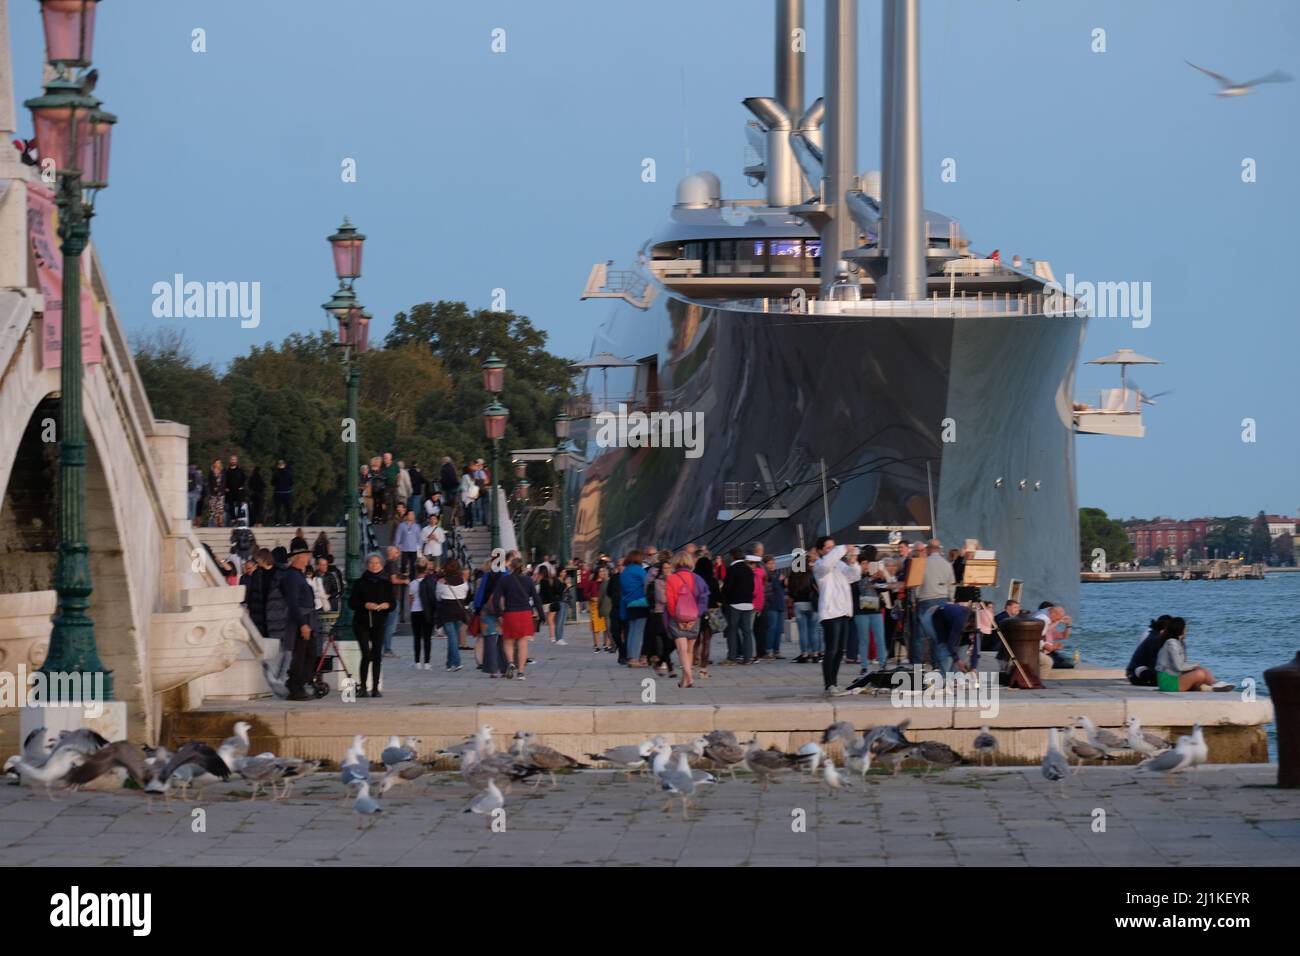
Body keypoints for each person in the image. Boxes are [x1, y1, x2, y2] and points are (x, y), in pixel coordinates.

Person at [813, 537, 861, 694]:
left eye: (833, 547)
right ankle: (828, 684)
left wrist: (853, 561)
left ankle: (834, 682)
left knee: (840, 650)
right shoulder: (819, 565)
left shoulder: (840, 564)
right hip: (830, 612)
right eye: (828, 548)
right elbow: (828, 563)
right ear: (820, 551)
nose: (832, 551)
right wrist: (841, 549)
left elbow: (854, 576)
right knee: (831, 649)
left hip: (844, 611)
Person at [350, 553, 394, 697]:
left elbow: (393, 603)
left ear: (381, 565)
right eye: (371, 563)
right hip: (362, 622)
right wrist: (365, 604)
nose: (374, 565)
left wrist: (386, 605)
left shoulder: (386, 583)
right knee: (366, 655)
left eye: (377, 563)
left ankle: (375, 688)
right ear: (367, 565)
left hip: (379, 623)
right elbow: (352, 603)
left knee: (377, 656)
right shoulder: (360, 582)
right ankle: (363, 687)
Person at [280, 546, 320, 700]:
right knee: (302, 655)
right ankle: (295, 687)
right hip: (301, 621)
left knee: (309, 654)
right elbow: (293, 602)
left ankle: (298, 684)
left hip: (307, 619)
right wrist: (303, 624)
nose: (308, 559)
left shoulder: (297, 575)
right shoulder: (291, 576)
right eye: (305, 556)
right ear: (298, 558)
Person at [489, 557, 539, 680]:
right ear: (522, 567)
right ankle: (521, 672)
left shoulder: (504, 581)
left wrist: (498, 615)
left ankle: (510, 662)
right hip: (525, 613)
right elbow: (537, 599)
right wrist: (542, 615)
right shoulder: (528, 581)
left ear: (510, 567)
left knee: (508, 641)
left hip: (510, 614)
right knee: (522, 643)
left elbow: (495, 599)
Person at [1155, 617, 1233, 692]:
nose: (1186, 630)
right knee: (1199, 673)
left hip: (1174, 676)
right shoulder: (1171, 643)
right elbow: (1179, 667)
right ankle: (1212, 685)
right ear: (1180, 629)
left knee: (1202, 670)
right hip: (1168, 681)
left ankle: (1214, 685)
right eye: (1185, 627)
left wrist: (1194, 667)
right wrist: (1194, 666)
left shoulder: (1178, 642)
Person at [664, 551, 704, 688]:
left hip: (677, 617)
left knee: (682, 650)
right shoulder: (697, 578)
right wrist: (696, 615)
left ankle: (689, 677)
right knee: (690, 651)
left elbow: (670, 601)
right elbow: (704, 598)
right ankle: (685, 680)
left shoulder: (671, 579)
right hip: (694, 617)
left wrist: (676, 618)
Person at [914, 539, 956, 667]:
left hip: (925, 599)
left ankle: (918, 664)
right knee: (938, 635)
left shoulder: (923, 563)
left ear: (928, 549)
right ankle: (936, 664)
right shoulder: (947, 564)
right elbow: (952, 584)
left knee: (921, 635)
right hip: (943, 600)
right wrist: (950, 600)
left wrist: (917, 597)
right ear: (939, 549)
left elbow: (916, 584)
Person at [722, 549, 756, 664]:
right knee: (747, 631)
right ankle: (748, 657)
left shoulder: (732, 569)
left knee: (732, 630)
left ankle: (732, 657)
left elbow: (727, 587)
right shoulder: (749, 569)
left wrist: (725, 599)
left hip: (734, 604)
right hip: (748, 604)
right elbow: (752, 587)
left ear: (732, 557)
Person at [787, 545, 820, 664]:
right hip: (812, 604)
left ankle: (804, 653)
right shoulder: (812, 571)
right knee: (814, 630)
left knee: (803, 631)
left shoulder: (794, 574)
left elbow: (790, 589)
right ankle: (815, 654)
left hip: (799, 604)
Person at [436, 559, 470, 672]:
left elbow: (438, 597)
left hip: (446, 610)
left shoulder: (441, 581)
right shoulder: (463, 580)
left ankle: (457, 662)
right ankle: (449, 663)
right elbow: (465, 594)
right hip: (459, 610)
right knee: (453, 636)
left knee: (452, 637)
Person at [473, 559, 507, 676]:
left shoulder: (486, 577)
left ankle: (492, 670)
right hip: (503, 611)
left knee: (490, 641)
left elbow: (480, 595)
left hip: (487, 611)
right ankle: (504, 668)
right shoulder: (506, 575)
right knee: (503, 640)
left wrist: (477, 610)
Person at [693, 555, 721, 678]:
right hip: (709, 613)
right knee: (706, 641)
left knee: (695, 640)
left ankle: (692, 661)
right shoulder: (713, 580)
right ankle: (703, 669)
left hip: (696, 612)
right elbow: (718, 597)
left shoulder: (694, 579)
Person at [619, 549, 649, 666]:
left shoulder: (625, 572)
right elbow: (647, 583)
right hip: (640, 603)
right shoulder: (639, 570)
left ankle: (630, 656)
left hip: (629, 604)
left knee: (631, 631)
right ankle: (635, 658)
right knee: (638, 632)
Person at [1126, 615, 1171, 687]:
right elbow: (1154, 662)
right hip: (1135, 673)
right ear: (1163, 630)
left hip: (1136, 671)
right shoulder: (1154, 640)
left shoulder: (1153, 635)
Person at [382, 545, 407, 657]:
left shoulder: (389, 564)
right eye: (397, 552)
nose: (399, 554)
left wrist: (402, 576)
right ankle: (387, 649)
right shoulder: (391, 564)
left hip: (388, 597)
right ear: (391, 553)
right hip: (392, 598)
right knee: (390, 625)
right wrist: (404, 581)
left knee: (387, 624)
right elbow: (393, 580)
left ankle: (384, 648)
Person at [759, 555, 786, 660]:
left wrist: (784, 582)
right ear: (765, 564)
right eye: (769, 563)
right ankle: (768, 650)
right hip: (771, 605)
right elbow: (770, 587)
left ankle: (776, 651)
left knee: (779, 629)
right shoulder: (765, 575)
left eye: (773, 563)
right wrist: (777, 580)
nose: (772, 565)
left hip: (780, 604)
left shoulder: (778, 574)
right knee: (772, 628)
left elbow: (782, 588)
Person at [410, 560, 434, 670]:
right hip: (427, 612)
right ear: (426, 570)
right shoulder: (431, 581)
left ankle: (417, 661)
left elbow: (410, 599)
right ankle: (427, 662)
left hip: (415, 611)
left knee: (417, 637)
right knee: (427, 638)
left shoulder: (413, 583)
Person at [394, 508, 421, 578]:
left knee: (413, 565)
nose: (412, 516)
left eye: (413, 514)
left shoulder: (417, 526)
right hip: (404, 548)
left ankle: (412, 579)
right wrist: (397, 546)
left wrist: (419, 547)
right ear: (407, 516)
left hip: (414, 549)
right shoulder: (402, 525)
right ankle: (403, 578)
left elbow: (419, 538)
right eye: (410, 514)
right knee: (403, 564)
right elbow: (398, 536)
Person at [225, 454, 247, 527]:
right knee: (231, 506)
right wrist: (226, 488)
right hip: (230, 491)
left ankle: (238, 519)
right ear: (230, 461)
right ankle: (233, 519)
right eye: (232, 459)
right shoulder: (227, 471)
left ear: (236, 461)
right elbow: (225, 481)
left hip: (238, 491)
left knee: (239, 506)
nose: (233, 461)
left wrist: (241, 486)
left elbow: (244, 479)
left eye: (234, 459)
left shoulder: (240, 470)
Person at [270, 459, 293, 525]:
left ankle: (277, 522)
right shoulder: (289, 473)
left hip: (278, 492)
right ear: (284, 465)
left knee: (278, 509)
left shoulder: (275, 473)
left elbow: (272, 483)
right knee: (288, 508)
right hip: (287, 492)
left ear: (278, 466)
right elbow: (291, 482)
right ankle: (289, 522)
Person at [207, 458, 226, 528]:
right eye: (217, 462)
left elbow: (224, 482)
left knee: (220, 509)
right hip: (213, 494)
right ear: (214, 463)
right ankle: (215, 524)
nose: (218, 464)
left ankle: (220, 523)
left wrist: (221, 490)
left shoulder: (223, 472)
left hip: (221, 493)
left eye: (219, 462)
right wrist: (213, 488)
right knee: (214, 510)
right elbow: (209, 482)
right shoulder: (211, 472)